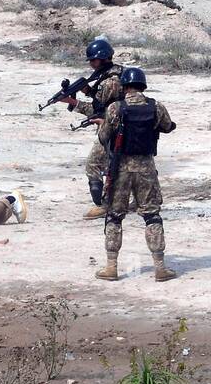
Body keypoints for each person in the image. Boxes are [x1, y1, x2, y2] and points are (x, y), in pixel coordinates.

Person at [95, 67, 177, 282]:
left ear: (124, 86)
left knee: (114, 216)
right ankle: (160, 267)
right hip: (146, 169)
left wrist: (102, 124)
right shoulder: (156, 107)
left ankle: (111, 267)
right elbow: (168, 127)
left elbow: (104, 137)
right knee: (152, 215)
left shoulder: (115, 108)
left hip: (120, 169)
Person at [64, 37, 125, 219]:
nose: (91, 64)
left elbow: (101, 109)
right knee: (116, 165)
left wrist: (74, 103)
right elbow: (102, 103)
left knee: (94, 164)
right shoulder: (110, 76)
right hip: (116, 125)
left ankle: (104, 205)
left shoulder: (111, 81)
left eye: (93, 60)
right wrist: (86, 93)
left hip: (112, 127)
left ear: (104, 58)